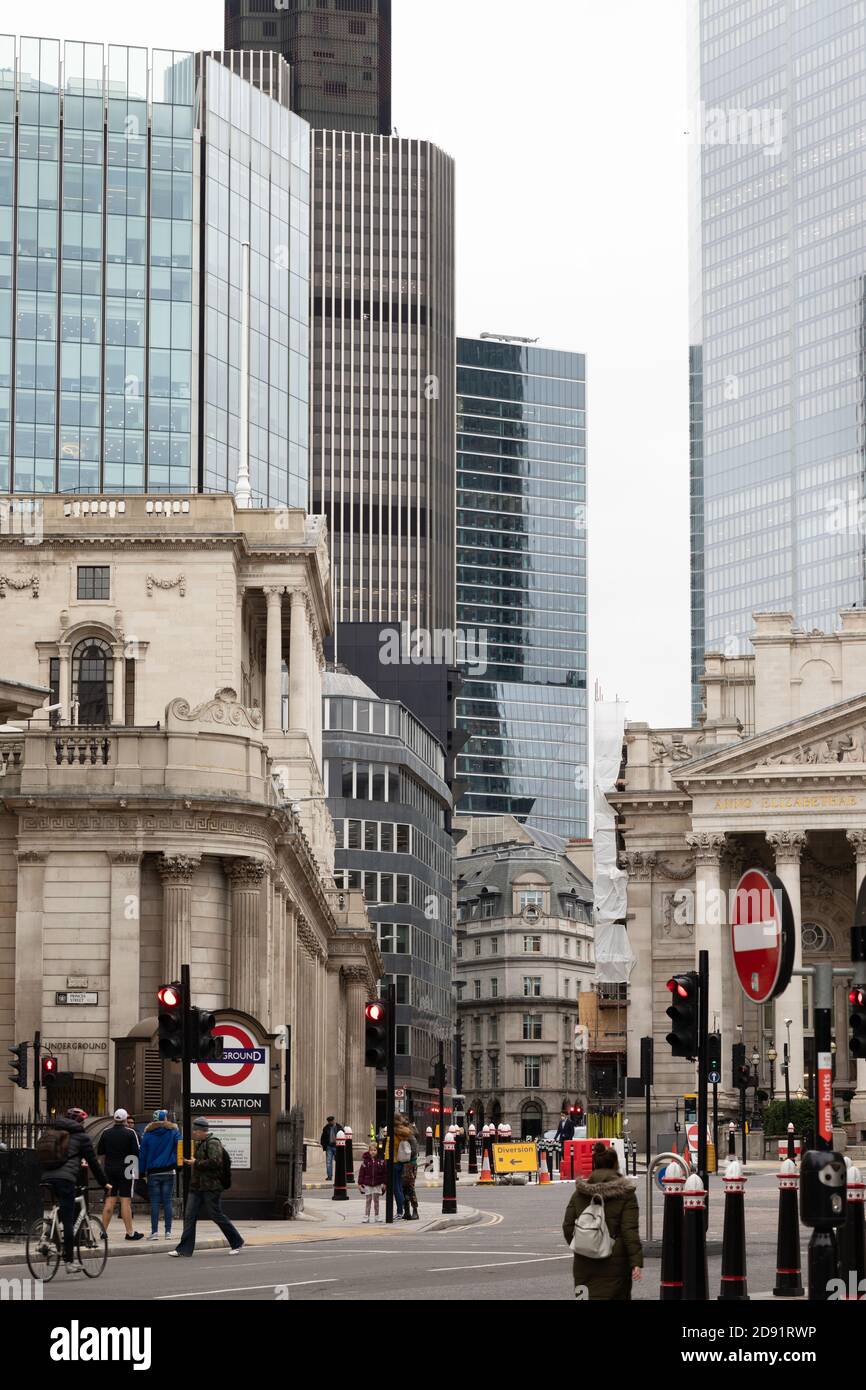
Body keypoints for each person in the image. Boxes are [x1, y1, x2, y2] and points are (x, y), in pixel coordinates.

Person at [562, 1145, 644, 1300]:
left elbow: (567, 1226)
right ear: (615, 1165)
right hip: (615, 1263)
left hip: (583, 1262)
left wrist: (581, 1244)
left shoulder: (579, 1193)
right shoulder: (626, 1194)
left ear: (595, 1164)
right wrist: (635, 1262)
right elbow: (629, 1231)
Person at [37, 1107, 112, 1276]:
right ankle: (69, 1261)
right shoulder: (81, 1137)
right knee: (69, 1220)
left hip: (47, 1177)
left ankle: (46, 1238)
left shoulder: (53, 1133)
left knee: (58, 1210)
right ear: (80, 1122)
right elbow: (93, 1162)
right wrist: (104, 1183)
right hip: (66, 1179)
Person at [169, 1117, 244, 1257]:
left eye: (196, 1131)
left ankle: (237, 1241)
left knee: (216, 1215)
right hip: (196, 1186)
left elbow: (216, 1162)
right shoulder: (200, 1143)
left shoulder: (213, 1142)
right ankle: (183, 1249)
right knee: (189, 1216)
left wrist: (196, 1162)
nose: (194, 1133)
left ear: (203, 1131)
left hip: (211, 1187)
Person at [97, 1108, 143, 1240]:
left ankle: (103, 1232)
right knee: (125, 1201)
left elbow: (100, 1151)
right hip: (126, 1169)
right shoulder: (130, 1133)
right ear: (125, 1120)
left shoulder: (106, 1133)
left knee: (110, 1200)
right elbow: (136, 1153)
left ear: (114, 1119)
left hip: (110, 1169)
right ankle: (130, 1233)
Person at [139, 1109, 180, 1241]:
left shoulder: (148, 1134)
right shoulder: (173, 1132)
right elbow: (180, 1146)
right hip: (169, 1171)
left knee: (155, 1203)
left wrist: (141, 1171)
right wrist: (179, 1165)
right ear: (165, 1119)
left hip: (153, 1173)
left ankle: (154, 1232)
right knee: (167, 1202)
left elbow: (143, 1155)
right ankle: (168, 1232)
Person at [357, 1141, 385, 1223]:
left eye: (375, 1150)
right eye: (371, 1150)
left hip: (377, 1183)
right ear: (369, 1151)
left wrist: (384, 1183)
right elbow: (361, 1173)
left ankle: (377, 1216)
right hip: (367, 1184)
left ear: (377, 1151)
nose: (373, 1152)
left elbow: (384, 1173)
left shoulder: (381, 1161)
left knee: (376, 1201)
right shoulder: (365, 1161)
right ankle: (366, 1216)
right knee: (368, 1200)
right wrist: (359, 1183)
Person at [319, 1115, 343, 1181]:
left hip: (337, 1147)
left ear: (334, 1120)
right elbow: (323, 1137)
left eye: (331, 1121)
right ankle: (329, 1176)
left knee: (339, 1162)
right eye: (329, 1121)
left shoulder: (339, 1127)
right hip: (329, 1147)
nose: (330, 1123)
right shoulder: (326, 1128)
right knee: (328, 1162)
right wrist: (324, 1145)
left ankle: (340, 1176)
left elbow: (343, 1136)